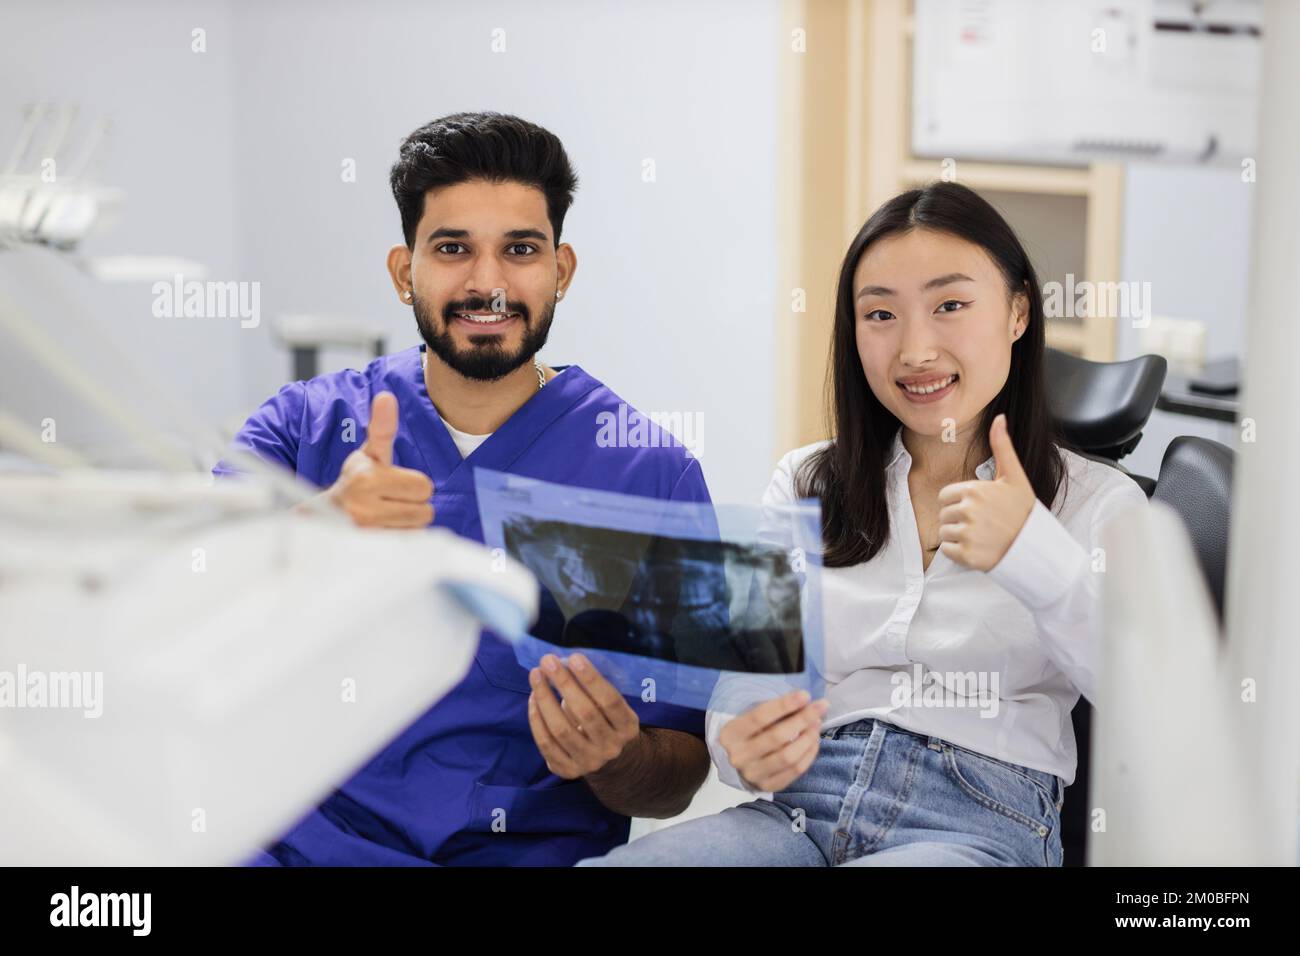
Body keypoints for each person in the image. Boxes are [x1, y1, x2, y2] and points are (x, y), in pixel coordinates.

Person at [580, 181, 1148, 867]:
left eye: (951, 305)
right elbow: (751, 673)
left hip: (976, 822)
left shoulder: (1100, 503)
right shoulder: (804, 481)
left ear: (1019, 310)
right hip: (799, 808)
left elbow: (1146, 697)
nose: (914, 350)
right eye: (880, 315)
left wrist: (1033, 555)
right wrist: (743, 739)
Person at [215, 112, 710, 866]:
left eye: (520, 250)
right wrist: (314, 531)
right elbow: (181, 595)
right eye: (452, 249)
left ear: (562, 270)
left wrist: (617, 759)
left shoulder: (653, 474)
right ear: (402, 270)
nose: (488, 283)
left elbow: (677, 774)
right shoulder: (299, 428)